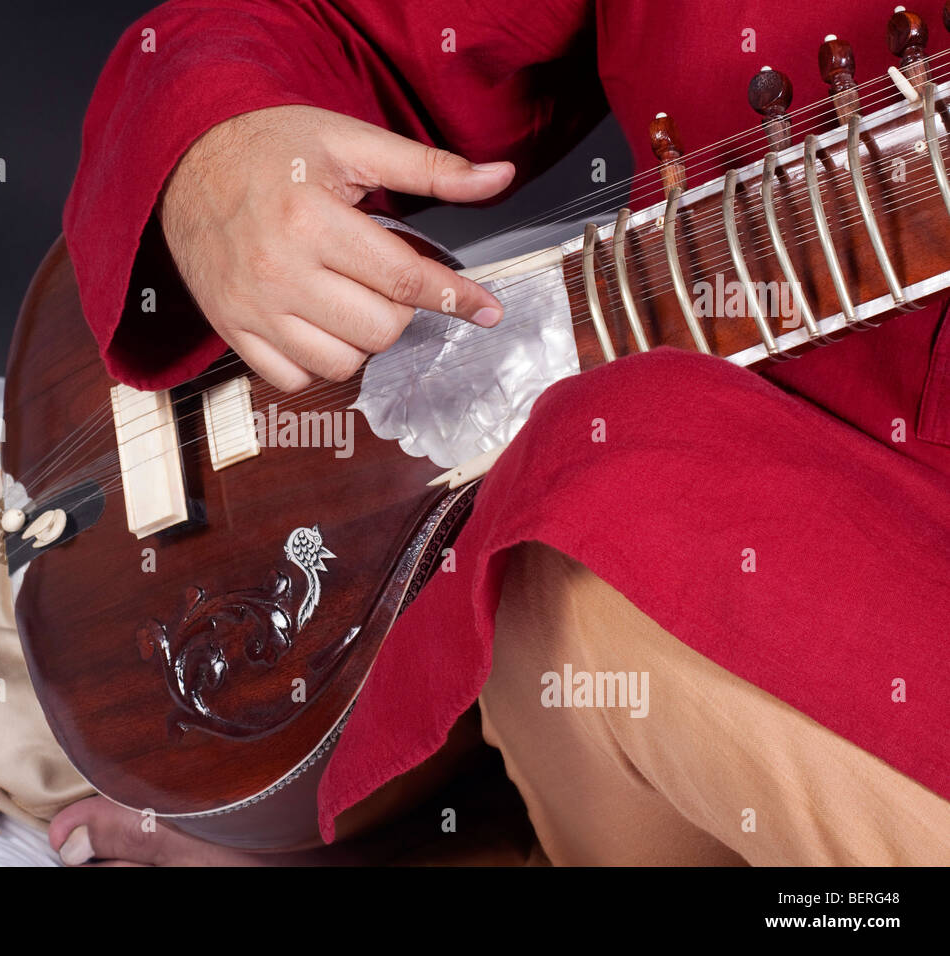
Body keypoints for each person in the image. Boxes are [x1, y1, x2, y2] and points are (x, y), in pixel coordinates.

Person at [49, 0, 950, 865]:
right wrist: (225, 153)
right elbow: (338, 23)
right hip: (666, 536)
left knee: (615, 480)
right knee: (603, 497)